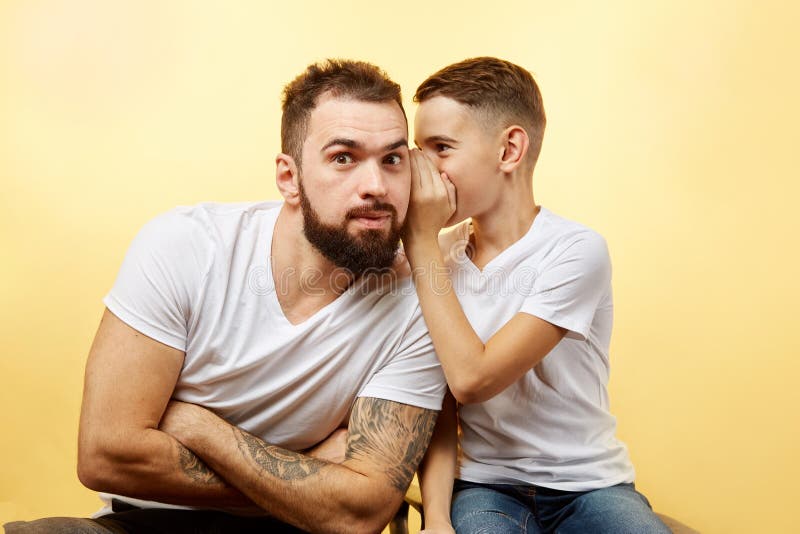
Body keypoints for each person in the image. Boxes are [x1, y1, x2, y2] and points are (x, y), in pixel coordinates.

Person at [5, 59, 446, 534]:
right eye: (343, 158)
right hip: (144, 524)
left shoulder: (424, 300)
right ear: (289, 178)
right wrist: (312, 474)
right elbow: (104, 456)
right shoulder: (187, 246)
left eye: (392, 160)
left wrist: (200, 428)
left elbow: (359, 511)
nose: (376, 187)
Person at [403, 57, 670, 533]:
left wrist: (420, 241)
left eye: (440, 148)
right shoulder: (435, 257)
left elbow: (473, 379)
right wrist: (437, 517)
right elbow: (439, 405)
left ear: (509, 150)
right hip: (485, 485)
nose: (421, 172)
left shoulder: (577, 250)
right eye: (418, 152)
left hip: (589, 485)